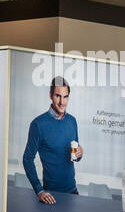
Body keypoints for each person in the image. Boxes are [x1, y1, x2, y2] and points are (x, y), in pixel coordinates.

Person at [23, 76, 82, 205]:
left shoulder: (72, 121)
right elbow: (27, 159)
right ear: (50, 95)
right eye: (58, 96)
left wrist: (79, 153)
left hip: (73, 193)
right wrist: (39, 191)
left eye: (65, 97)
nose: (62, 102)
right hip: (51, 196)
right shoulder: (38, 124)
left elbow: (75, 157)